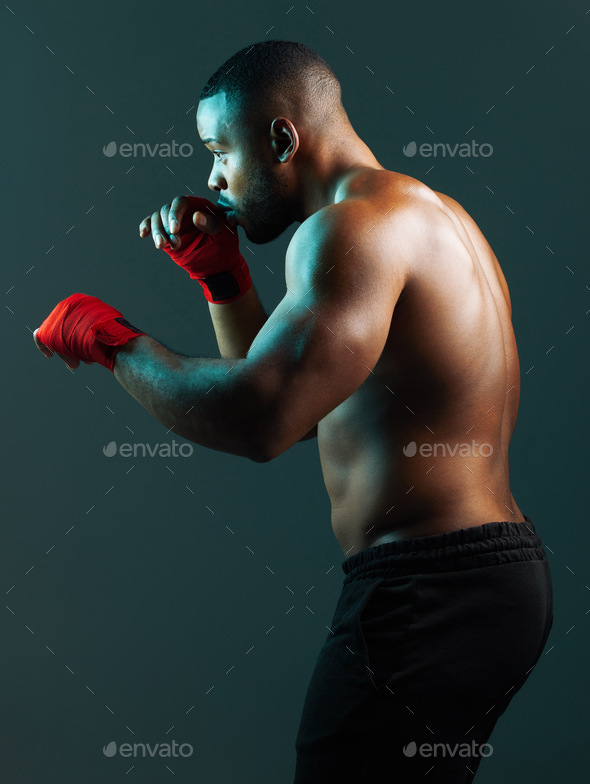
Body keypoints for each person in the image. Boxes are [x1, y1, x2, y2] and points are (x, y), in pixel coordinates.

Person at [33, 39, 553, 783]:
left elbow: (260, 421)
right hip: (487, 581)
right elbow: (308, 411)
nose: (213, 178)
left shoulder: (351, 230)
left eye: (220, 151)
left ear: (281, 138)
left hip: (428, 588)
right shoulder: (428, 213)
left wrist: (110, 341)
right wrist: (223, 279)